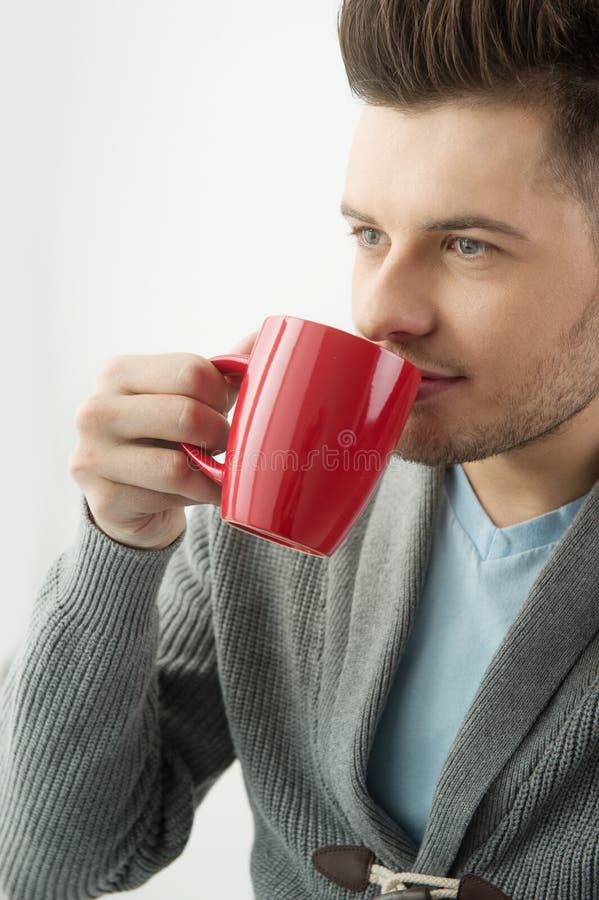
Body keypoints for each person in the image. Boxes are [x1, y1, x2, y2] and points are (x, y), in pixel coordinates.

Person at [1, 1, 598, 898]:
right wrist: (120, 547)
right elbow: (51, 863)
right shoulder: (266, 502)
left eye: (466, 245)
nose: (380, 312)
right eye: (369, 236)